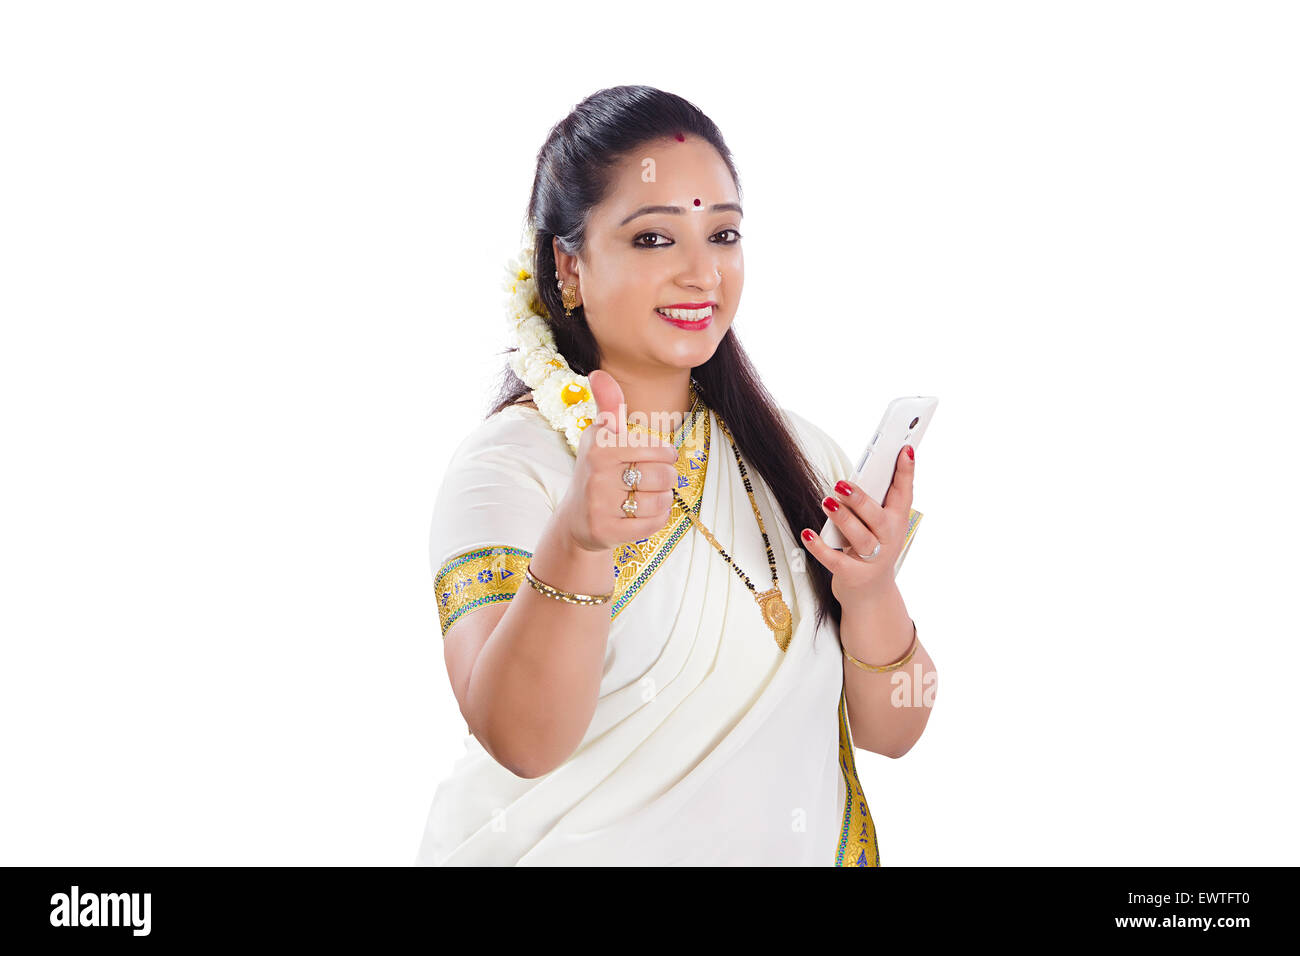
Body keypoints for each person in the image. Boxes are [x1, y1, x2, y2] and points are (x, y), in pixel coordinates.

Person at [415, 86, 936, 866]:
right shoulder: (510, 469)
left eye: (722, 234)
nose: (702, 274)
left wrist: (868, 592)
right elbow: (521, 742)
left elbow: (895, 730)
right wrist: (579, 543)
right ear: (569, 266)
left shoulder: (802, 458)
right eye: (655, 240)